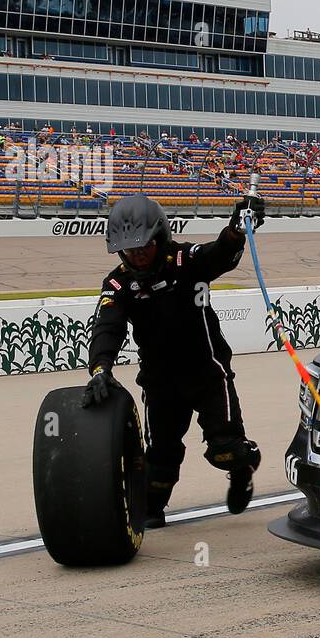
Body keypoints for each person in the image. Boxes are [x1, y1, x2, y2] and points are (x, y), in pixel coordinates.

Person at [83, 193, 266, 528]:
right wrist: (100, 370)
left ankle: (244, 467)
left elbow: (220, 253)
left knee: (225, 450)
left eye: (143, 247)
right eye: (128, 249)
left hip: (208, 373)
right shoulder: (117, 282)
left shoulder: (186, 259)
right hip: (160, 382)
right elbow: (106, 328)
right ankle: (152, 507)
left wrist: (237, 231)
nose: (137, 256)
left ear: (160, 237)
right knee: (159, 462)